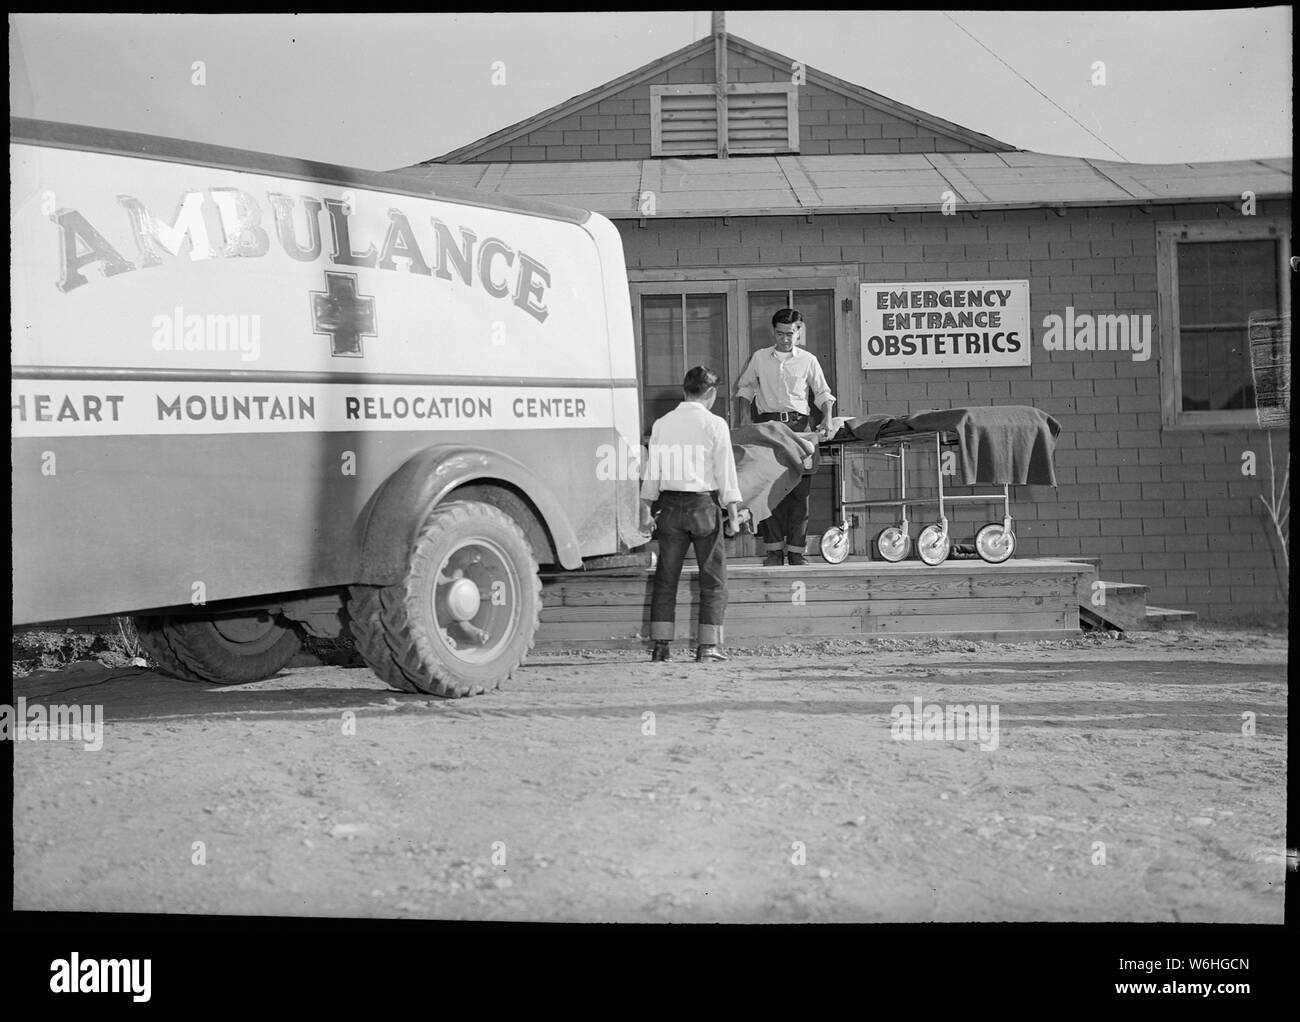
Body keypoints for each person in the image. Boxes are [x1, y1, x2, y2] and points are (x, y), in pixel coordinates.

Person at [640, 366, 742, 663]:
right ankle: (707, 647)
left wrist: (646, 508)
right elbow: (726, 473)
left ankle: (661, 646)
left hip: (669, 507)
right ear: (710, 393)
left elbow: (653, 472)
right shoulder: (715, 424)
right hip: (703, 508)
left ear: (685, 389)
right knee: (713, 579)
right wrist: (733, 513)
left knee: (666, 578)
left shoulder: (662, 424)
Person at [734, 308, 836, 566]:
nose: (785, 339)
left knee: (800, 493)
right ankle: (773, 551)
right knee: (770, 491)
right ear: (773, 332)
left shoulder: (808, 360)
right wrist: (744, 417)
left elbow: (822, 392)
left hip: (800, 429)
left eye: (790, 334)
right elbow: (745, 387)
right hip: (768, 429)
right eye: (780, 334)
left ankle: (796, 552)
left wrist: (827, 416)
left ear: (798, 332)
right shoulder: (759, 358)